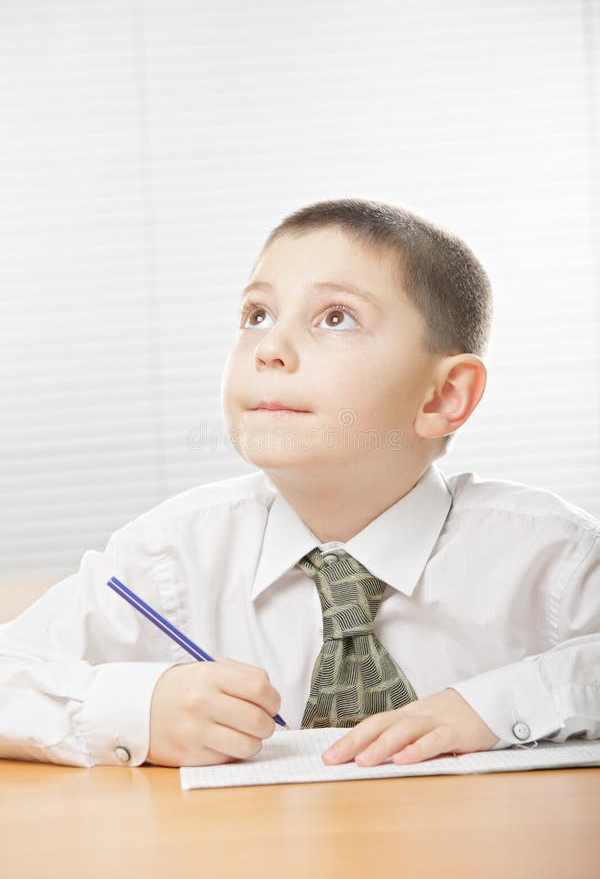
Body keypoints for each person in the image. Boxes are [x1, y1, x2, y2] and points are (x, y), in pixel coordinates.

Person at [1, 198, 598, 769]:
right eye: (257, 315)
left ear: (443, 395)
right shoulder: (170, 557)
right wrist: (135, 710)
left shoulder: (553, 560)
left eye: (336, 318)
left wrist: (501, 708)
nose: (270, 348)